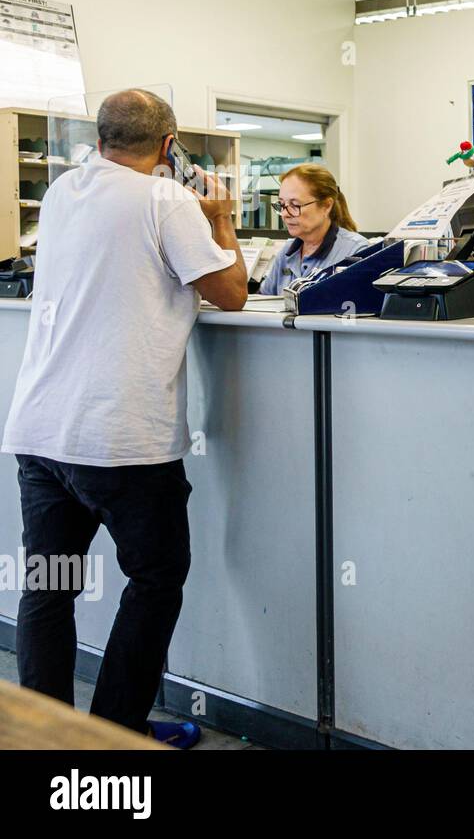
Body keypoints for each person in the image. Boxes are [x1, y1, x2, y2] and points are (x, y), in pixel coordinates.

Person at [1, 89, 248, 747]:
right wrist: (220, 218)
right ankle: (116, 734)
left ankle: (46, 738)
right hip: (122, 437)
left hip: (41, 431)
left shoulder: (60, 193)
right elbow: (231, 294)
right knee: (156, 575)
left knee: (49, 585)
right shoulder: (166, 200)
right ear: (169, 147)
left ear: (100, 138)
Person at [259, 163, 368, 295]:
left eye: (295, 205)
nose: (285, 214)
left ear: (326, 206)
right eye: (281, 204)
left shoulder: (355, 251)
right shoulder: (286, 253)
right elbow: (263, 303)